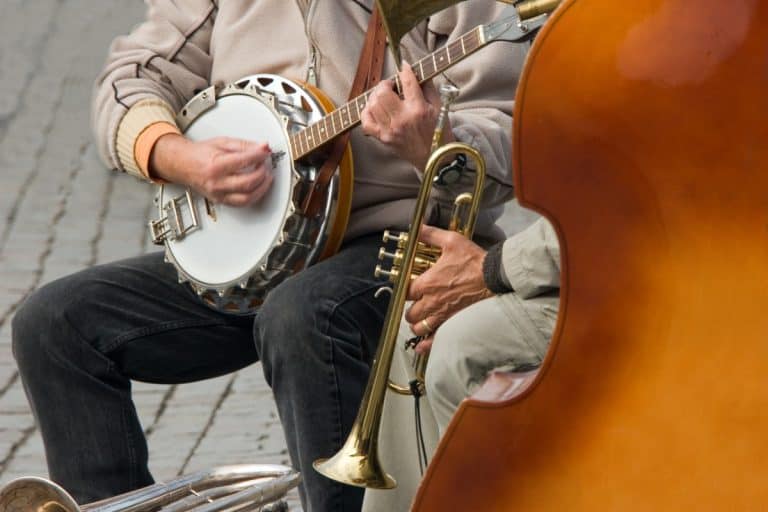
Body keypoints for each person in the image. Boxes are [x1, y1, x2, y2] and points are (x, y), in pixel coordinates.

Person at [10, 2, 529, 511]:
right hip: (260, 250)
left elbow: (516, 135)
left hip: (397, 238)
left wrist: (432, 144)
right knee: (54, 324)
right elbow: (130, 77)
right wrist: (176, 156)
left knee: (301, 314)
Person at [362, 215, 560, 512]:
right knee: (407, 330)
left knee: (459, 348)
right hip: (569, 263)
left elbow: (601, 224)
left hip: (625, 287)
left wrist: (494, 268)